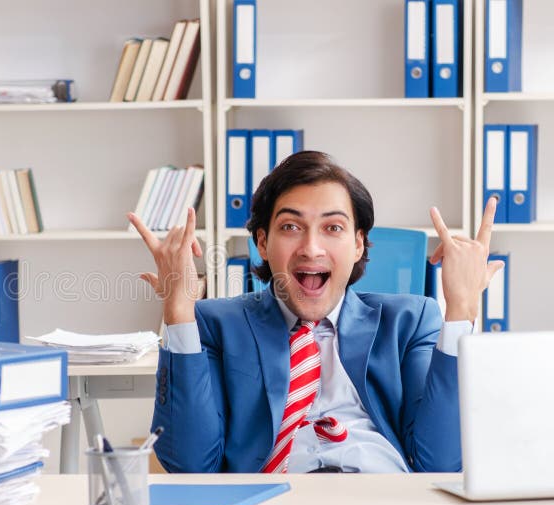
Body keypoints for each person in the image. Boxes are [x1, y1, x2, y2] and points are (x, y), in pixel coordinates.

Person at [127, 150, 502, 474]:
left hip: (379, 496)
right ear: (262, 243)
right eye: (291, 226)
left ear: (358, 245)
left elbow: (439, 462)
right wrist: (178, 313)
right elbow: (191, 465)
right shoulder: (215, 325)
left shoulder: (410, 320)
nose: (311, 247)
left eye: (332, 228)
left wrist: (461, 311)